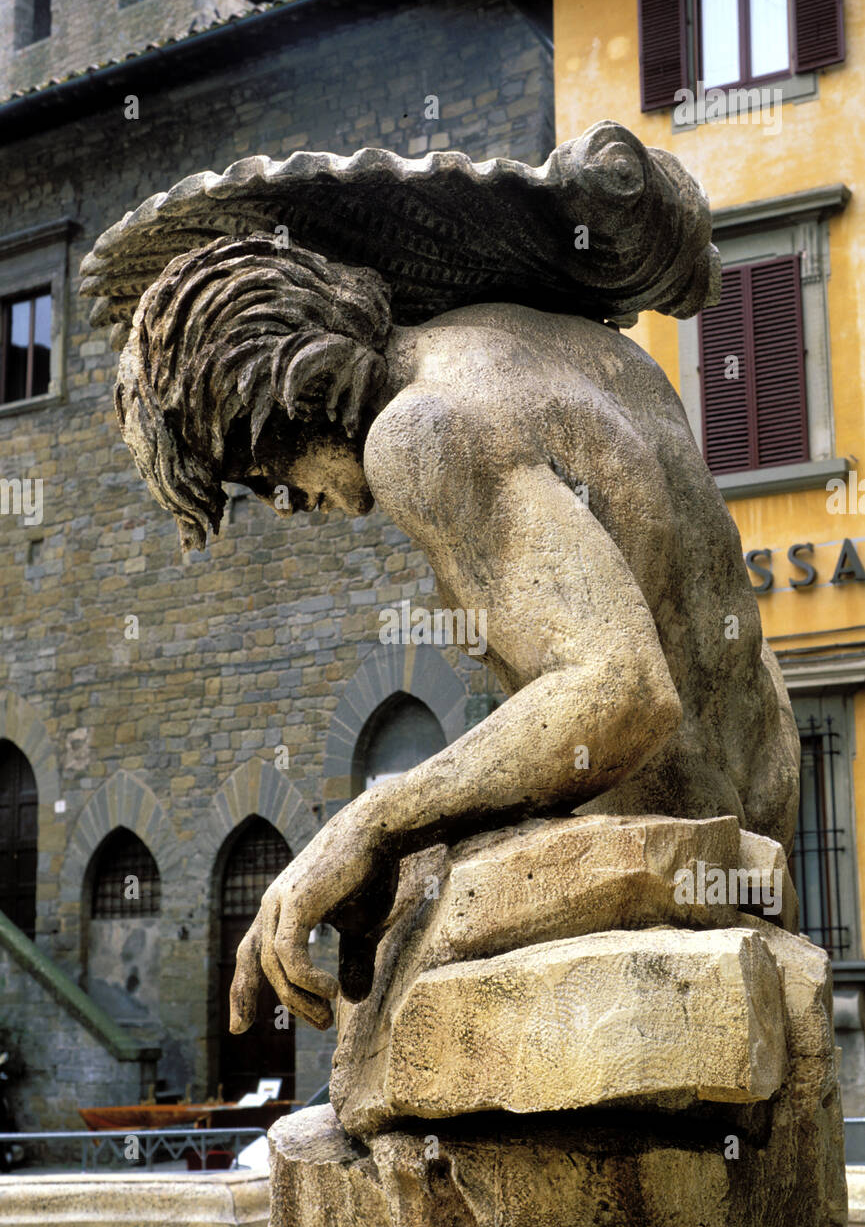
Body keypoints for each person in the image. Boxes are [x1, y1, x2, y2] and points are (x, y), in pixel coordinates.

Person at [114, 225, 799, 1037]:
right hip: (754, 818)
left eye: (260, 474)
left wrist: (371, 822)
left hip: (657, 864)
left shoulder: (419, 434)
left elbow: (622, 694)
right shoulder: (519, 336)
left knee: (386, 1019)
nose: (284, 504)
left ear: (288, 393)